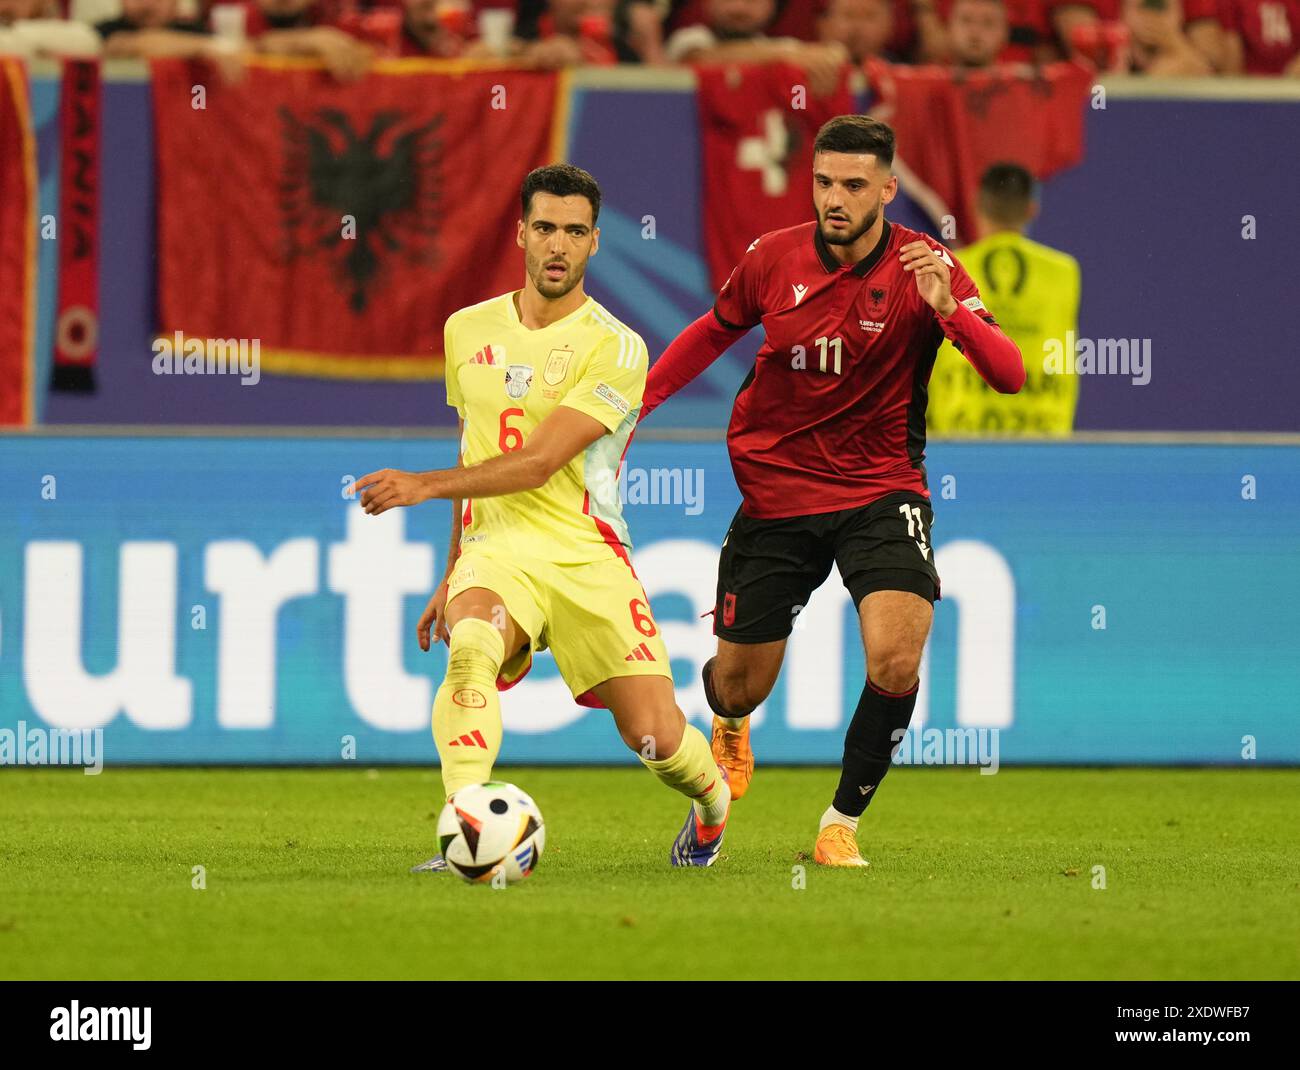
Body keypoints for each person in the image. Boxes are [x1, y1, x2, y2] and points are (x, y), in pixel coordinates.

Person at [640, 115, 1024, 867]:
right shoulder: (770, 258)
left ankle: (839, 823)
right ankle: (730, 722)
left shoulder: (928, 267)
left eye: (853, 184)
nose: (835, 199)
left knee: (896, 659)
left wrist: (949, 312)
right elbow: (710, 334)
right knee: (740, 684)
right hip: (777, 492)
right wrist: (633, 409)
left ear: (888, 188)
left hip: (883, 488)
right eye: (824, 182)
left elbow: (1008, 374)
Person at [349, 164, 732, 871]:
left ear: (595, 243)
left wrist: (421, 486)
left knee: (655, 738)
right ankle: (467, 828)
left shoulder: (618, 347)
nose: (558, 245)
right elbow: (477, 453)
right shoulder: (466, 330)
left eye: (575, 232)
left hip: (588, 555)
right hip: (497, 550)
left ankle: (714, 809)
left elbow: (535, 463)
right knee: (469, 650)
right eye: (546, 228)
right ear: (521, 233)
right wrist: (451, 571)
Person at [928, 162, 1081, 436]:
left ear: (976, 207)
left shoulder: (948, 268)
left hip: (959, 436)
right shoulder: (1065, 273)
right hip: (1044, 438)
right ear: (1031, 209)